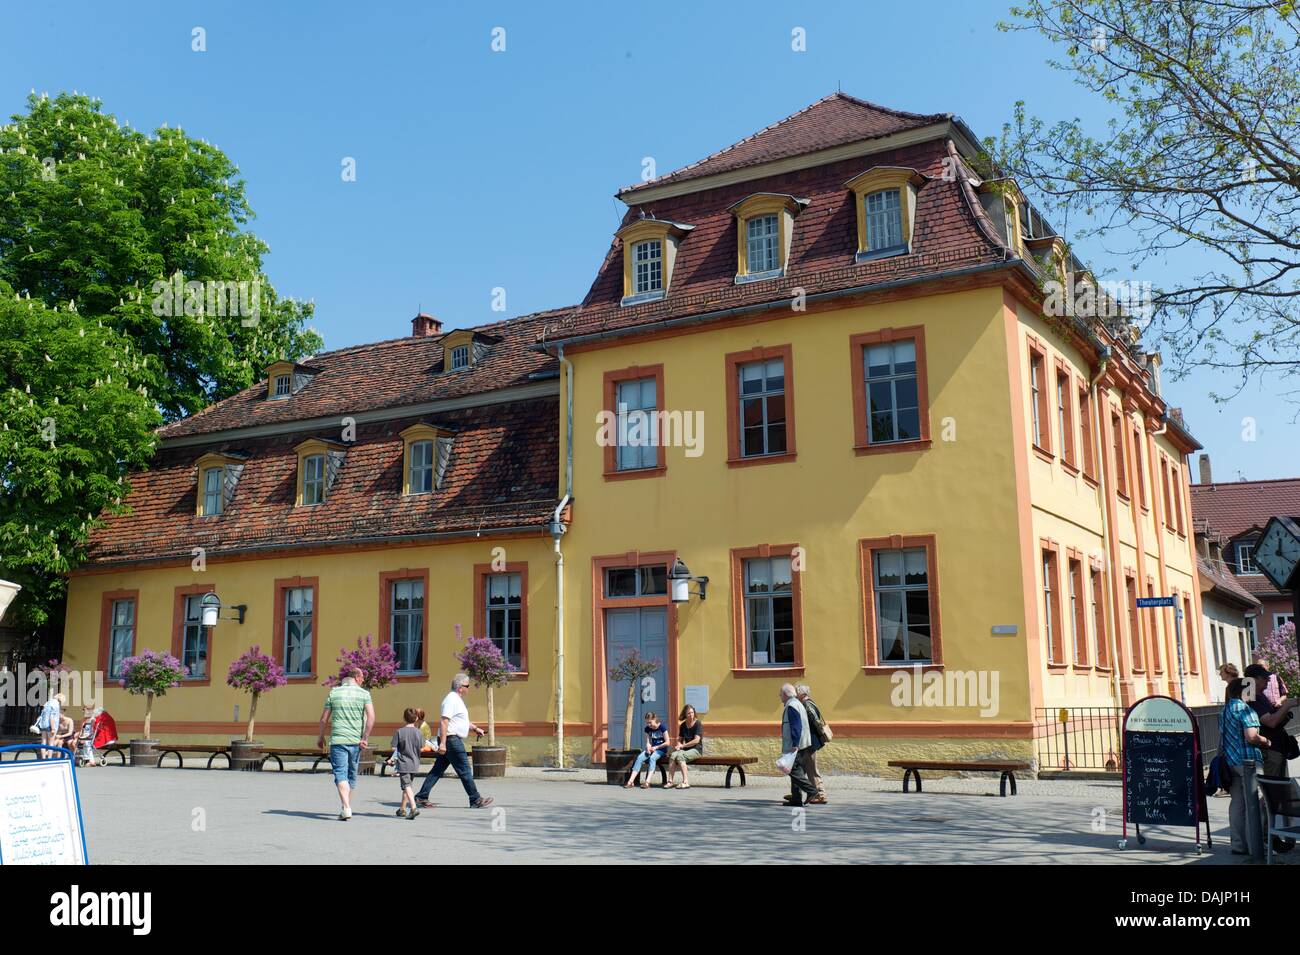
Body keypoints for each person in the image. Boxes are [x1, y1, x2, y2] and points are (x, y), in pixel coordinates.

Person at [415, 673, 494, 809]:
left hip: (450, 739)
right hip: (451, 740)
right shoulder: (451, 699)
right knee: (464, 769)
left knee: (437, 770)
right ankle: (475, 799)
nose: (469, 688)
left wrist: (475, 728)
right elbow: (444, 721)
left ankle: (421, 796)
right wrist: (443, 743)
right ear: (460, 687)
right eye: (467, 686)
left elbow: (460, 720)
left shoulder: (457, 700)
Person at [317, 667, 375, 821]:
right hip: (356, 741)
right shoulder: (364, 694)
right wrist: (365, 737)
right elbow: (371, 718)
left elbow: (324, 719)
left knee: (340, 773)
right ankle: (346, 807)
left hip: (338, 740)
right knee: (351, 774)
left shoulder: (334, 692)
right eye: (362, 677)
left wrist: (321, 736)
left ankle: (346, 807)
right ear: (356, 677)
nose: (363, 680)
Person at [1220, 677, 1269, 859]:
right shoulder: (1246, 710)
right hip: (1249, 763)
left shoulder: (1224, 710)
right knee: (1255, 804)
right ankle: (1254, 847)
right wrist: (1266, 741)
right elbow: (1251, 736)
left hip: (1231, 762)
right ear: (1244, 692)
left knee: (1237, 804)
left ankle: (1238, 845)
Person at [779, 684, 819, 807]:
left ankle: (812, 791)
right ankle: (796, 799)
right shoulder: (797, 703)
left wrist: (795, 744)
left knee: (793, 770)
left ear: (785, 695)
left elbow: (796, 726)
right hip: (803, 743)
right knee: (798, 771)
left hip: (797, 745)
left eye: (780, 694)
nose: (779, 696)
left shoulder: (792, 706)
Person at [796, 684, 830, 804]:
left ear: (801, 693)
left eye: (796, 692)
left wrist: (820, 731)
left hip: (810, 741)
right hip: (810, 741)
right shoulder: (810, 702)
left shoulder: (806, 704)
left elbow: (815, 719)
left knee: (811, 769)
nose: (795, 695)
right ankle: (797, 793)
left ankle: (821, 794)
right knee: (802, 769)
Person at [388, 707, 424, 820]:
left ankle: (413, 808)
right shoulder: (419, 732)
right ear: (417, 718)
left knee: (406, 786)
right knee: (407, 786)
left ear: (404, 718)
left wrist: (393, 758)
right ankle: (402, 809)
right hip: (415, 763)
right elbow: (422, 747)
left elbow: (393, 746)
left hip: (404, 763)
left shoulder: (399, 732)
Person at [623, 711, 670, 789]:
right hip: (651, 749)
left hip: (661, 750)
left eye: (650, 722)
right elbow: (648, 742)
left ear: (655, 719)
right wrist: (648, 747)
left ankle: (647, 782)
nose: (649, 725)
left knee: (652, 758)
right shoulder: (647, 729)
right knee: (640, 758)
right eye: (647, 723)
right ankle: (631, 781)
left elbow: (668, 742)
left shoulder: (662, 727)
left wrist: (656, 747)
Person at [666, 704, 704, 789]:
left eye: (692, 712)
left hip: (696, 750)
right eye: (689, 713)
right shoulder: (683, 725)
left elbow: (696, 740)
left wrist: (683, 745)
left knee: (679, 756)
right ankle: (670, 781)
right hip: (686, 749)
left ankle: (685, 782)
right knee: (673, 755)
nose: (691, 715)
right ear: (685, 715)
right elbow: (680, 739)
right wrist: (679, 744)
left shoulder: (698, 724)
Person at [35, 692, 65, 760]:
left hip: (43, 724)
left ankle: (43, 758)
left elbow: (42, 714)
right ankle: (49, 758)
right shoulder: (56, 704)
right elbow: (52, 717)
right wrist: (53, 728)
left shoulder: (48, 703)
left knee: (43, 742)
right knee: (51, 743)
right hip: (50, 725)